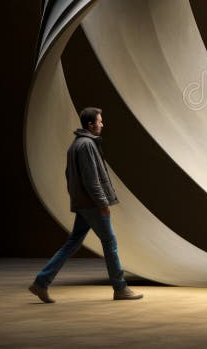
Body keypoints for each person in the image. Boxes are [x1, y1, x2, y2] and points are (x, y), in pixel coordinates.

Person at [28, 107, 143, 302]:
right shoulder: (87, 145)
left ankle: (41, 283)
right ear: (90, 125)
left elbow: (69, 176)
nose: (102, 124)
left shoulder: (76, 145)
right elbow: (92, 180)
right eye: (99, 121)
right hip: (92, 204)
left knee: (72, 243)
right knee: (110, 242)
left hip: (83, 203)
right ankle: (120, 288)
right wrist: (102, 203)